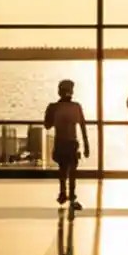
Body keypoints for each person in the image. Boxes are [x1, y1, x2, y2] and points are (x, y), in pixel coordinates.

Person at [44, 80, 90, 210]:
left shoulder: (54, 107)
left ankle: (63, 192)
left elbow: (47, 125)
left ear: (59, 92)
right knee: (72, 170)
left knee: (63, 169)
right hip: (72, 142)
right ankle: (71, 194)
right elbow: (82, 125)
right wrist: (86, 144)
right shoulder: (76, 107)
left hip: (60, 141)